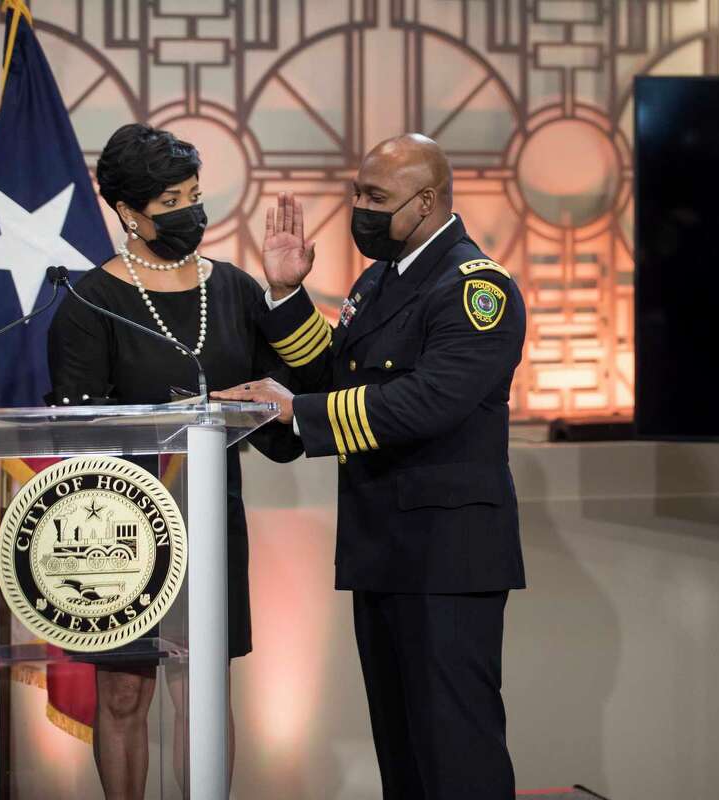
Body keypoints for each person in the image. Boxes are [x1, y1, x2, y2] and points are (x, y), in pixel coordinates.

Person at [214, 133, 526, 799]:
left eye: (376, 198)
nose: (359, 207)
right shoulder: (383, 278)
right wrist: (286, 294)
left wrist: (296, 412)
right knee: (403, 749)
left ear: (427, 201)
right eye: (358, 192)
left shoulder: (476, 288)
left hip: (447, 554)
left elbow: (427, 402)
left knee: (455, 750)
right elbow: (340, 373)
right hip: (383, 543)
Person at [46, 123, 301, 799]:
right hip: (119, 531)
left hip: (212, 519)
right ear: (129, 213)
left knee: (203, 695)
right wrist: (184, 409)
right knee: (126, 697)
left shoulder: (240, 290)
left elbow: (283, 420)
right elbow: (82, 437)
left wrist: (286, 298)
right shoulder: (87, 302)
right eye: (170, 202)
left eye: (193, 194)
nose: (190, 212)